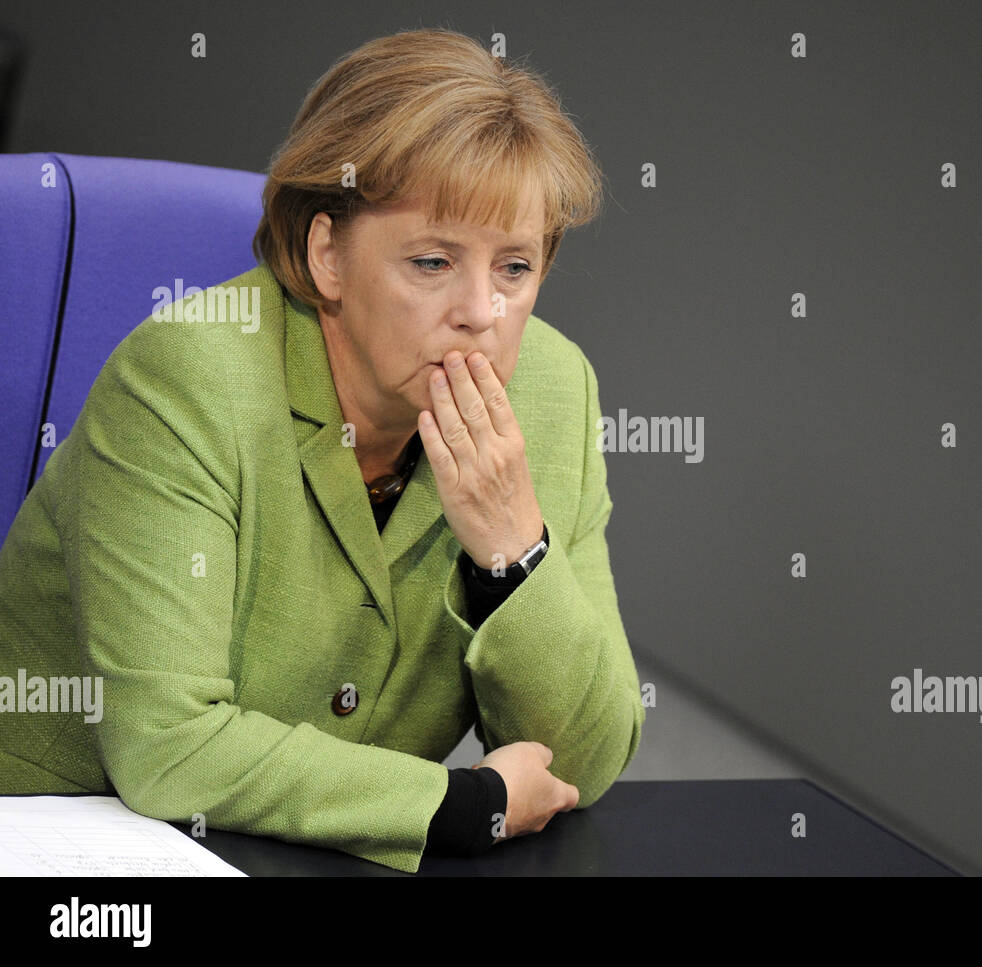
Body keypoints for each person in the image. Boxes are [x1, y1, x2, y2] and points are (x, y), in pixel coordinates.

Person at [0, 28, 644, 872]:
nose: (481, 311)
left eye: (515, 268)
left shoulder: (557, 396)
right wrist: (460, 802)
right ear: (327, 252)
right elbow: (168, 749)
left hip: (318, 848)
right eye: (433, 260)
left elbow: (584, 763)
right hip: (72, 836)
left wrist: (514, 551)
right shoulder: (184, 379)